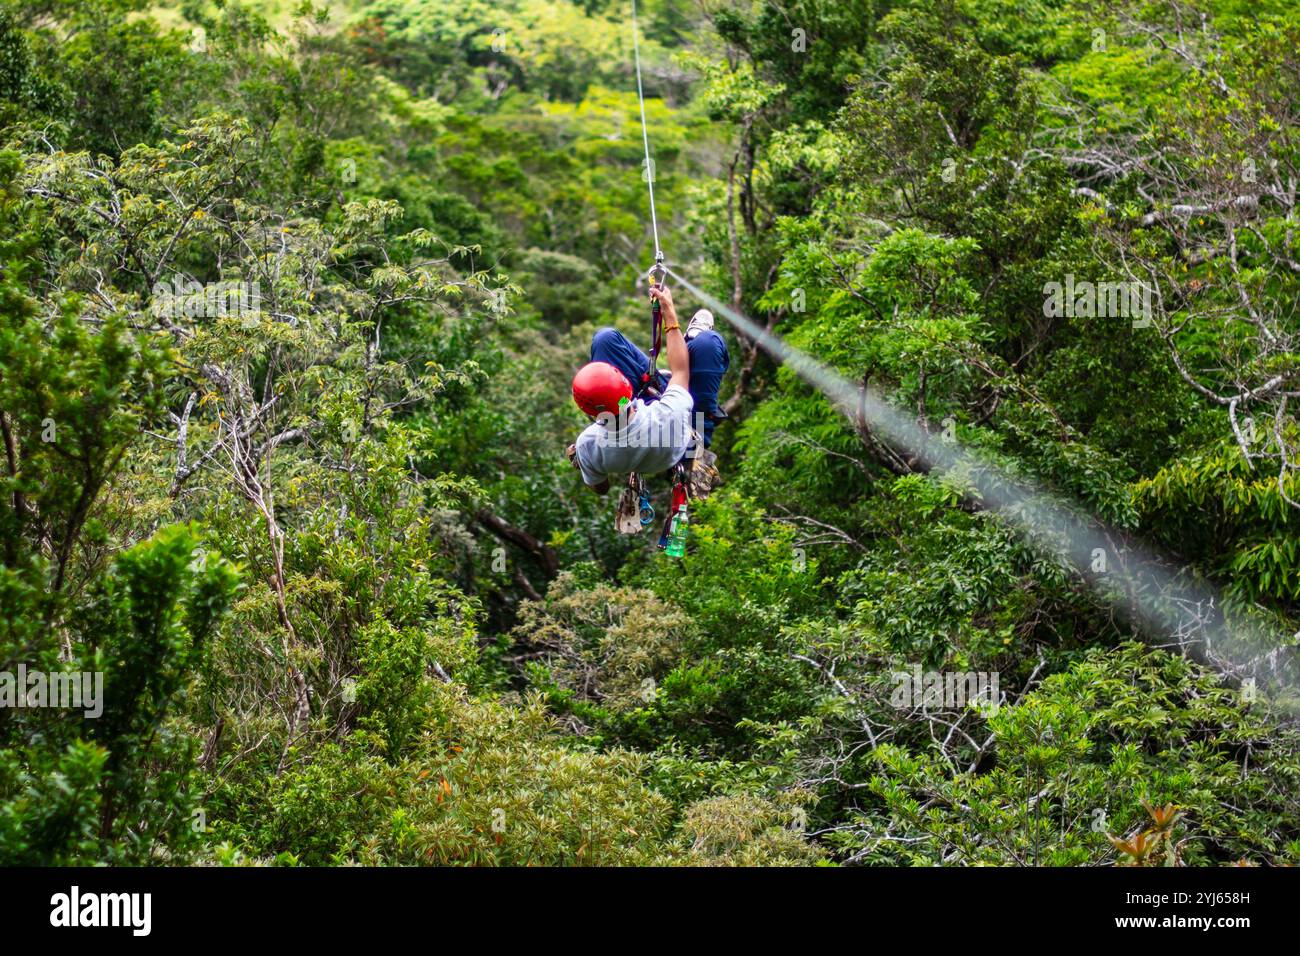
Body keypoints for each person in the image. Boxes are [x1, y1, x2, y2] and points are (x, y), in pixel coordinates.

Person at [567, 280, 727, 494]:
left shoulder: (587, 445)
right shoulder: (668, 413)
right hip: (686, 425)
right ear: (626, 391)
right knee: (706, 344)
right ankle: (690, 342)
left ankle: (685, 351)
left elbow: (600, 488)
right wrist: (668, 309)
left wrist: (582, 460)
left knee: (605, 340)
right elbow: (681, 372)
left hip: (647, 418)